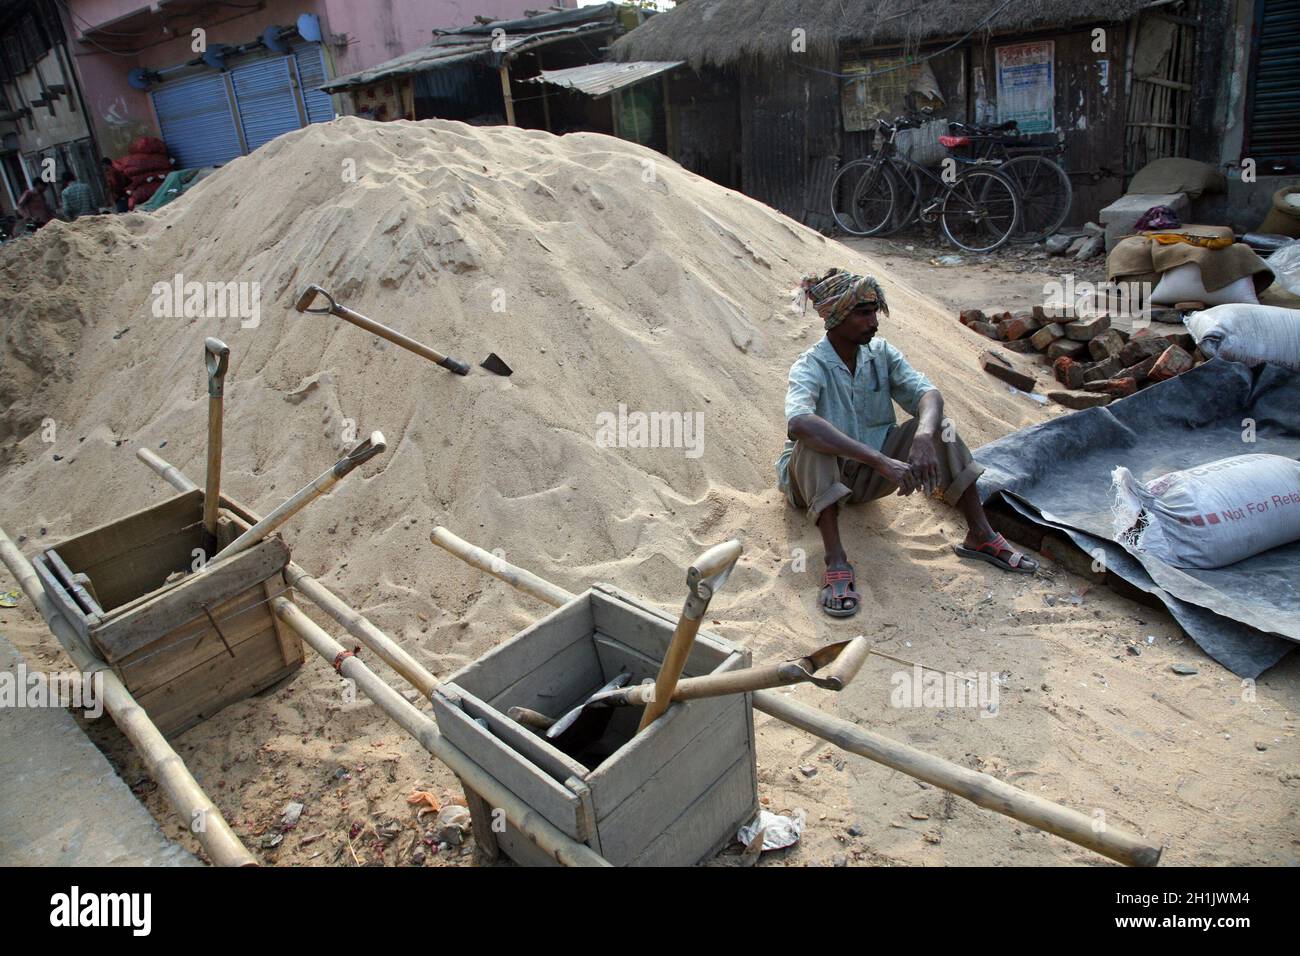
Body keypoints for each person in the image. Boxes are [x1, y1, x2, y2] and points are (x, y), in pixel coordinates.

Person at [778, 268, 1038, 618]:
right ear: (836, 317)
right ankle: (836, 560)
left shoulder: (881, 354)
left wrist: (924, 437)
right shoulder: (810, 365)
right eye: (863, 312)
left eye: (874, 311)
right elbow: (799, 422)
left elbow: (927, 393)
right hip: (812, 483)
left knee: (940, 426)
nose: (874, 321)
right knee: (815, 440)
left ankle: (980, 534)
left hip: (871, 477)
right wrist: (879, 460)